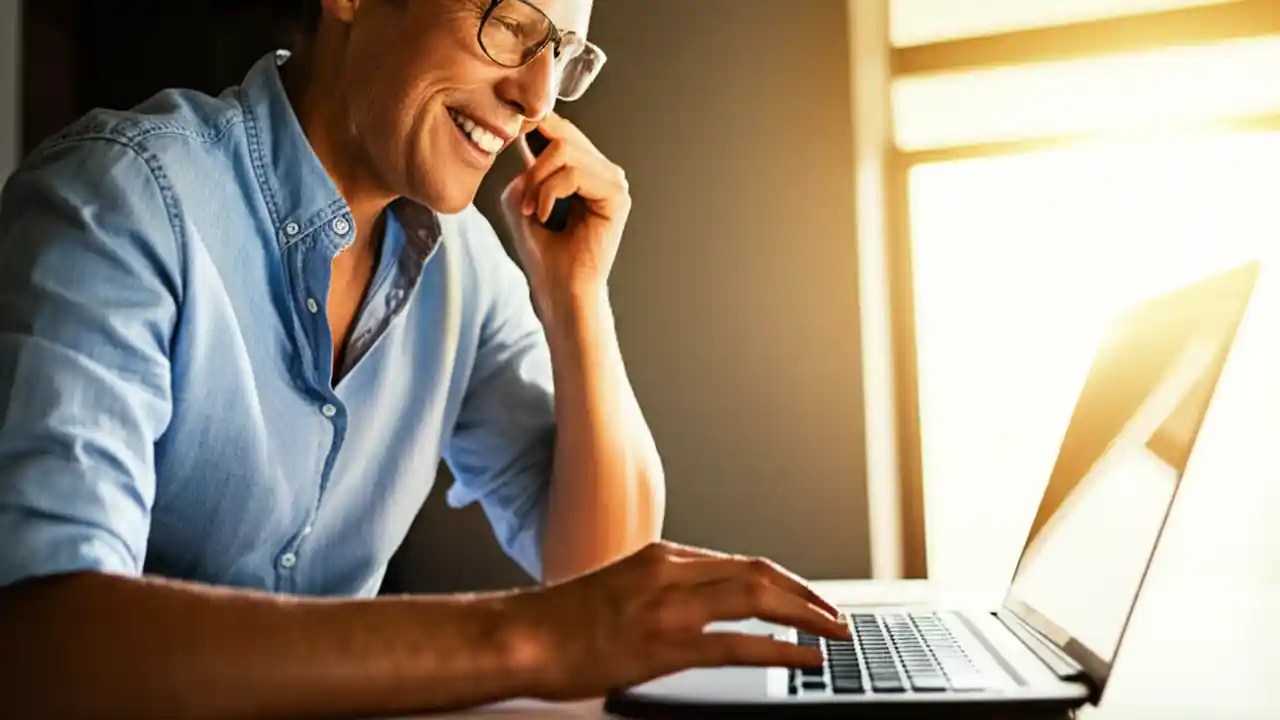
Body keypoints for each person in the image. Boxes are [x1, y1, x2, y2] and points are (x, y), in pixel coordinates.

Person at [0, 0, 849, 716]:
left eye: (562, 54)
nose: (534, 94)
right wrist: (526, 637)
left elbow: (600, 575)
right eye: (512, 23)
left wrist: (577, 300)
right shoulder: (122, 200)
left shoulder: (465, 266)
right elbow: (40, 642)